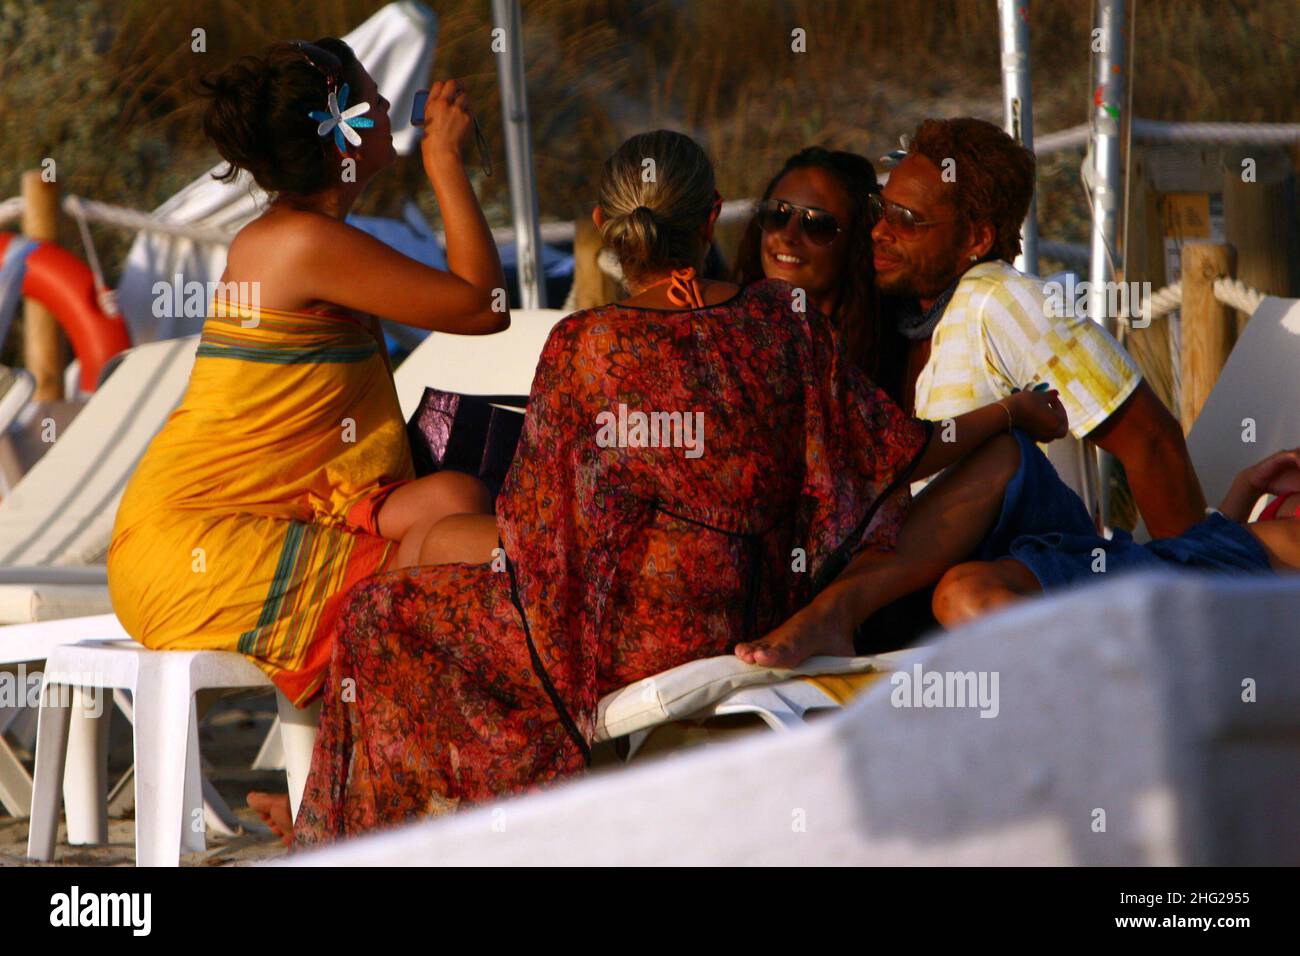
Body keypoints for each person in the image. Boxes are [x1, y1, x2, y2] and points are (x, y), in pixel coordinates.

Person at [291, 129, 1067, 843]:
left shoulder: (587, 346)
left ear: (605, 224)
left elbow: (537, 532)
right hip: (746, 607)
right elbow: (901, 453)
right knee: (424, 592)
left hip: (619, 634)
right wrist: (1009, 411)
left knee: (380, 612)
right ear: (712, 218)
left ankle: (373, 836)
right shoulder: (782, 321)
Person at [106, 39, 507, 833]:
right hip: (194, 546)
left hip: (259, 520)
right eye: (375, 97)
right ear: (343, 130)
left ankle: (342, 798)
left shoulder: (302, 239)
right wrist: (446, 163)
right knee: (451, 564)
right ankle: (359, 804)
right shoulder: (298, 244)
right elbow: (481, 305)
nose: (392, 109)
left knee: (455, 500)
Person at [873, 117, 1206, 540]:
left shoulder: (1003, 302)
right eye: (879, 208)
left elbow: (1151, 440)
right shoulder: (897, 312)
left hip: (1002, 590)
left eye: (905, 219)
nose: (879, 231)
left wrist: (1189, 585)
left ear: (976, 240)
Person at [930, 446, 1300, 627]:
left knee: (964, 595)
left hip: (1198, 590)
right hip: (1177, 563)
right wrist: (1247, 487)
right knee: (963, 592)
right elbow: (1215, 549)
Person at [733, 148, 908, 404]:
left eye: (817, 223)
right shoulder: (725, 336)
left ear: (856, 240)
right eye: (777, 214)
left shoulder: (894, 352)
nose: (788, 236)